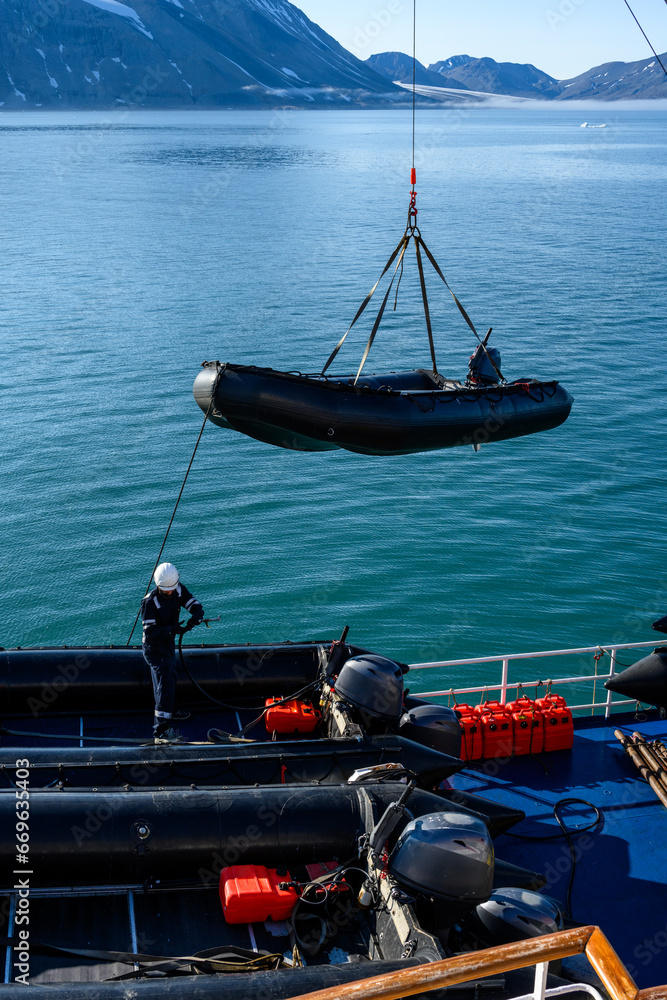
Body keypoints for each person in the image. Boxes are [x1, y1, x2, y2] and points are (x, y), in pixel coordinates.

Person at [140, 562, 204, 744]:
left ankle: (172, 711)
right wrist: (172, 629)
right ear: (158, 586)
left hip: (167, 644)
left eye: (171, 590)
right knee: (164, 685)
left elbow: (191, 602)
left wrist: (197, 615)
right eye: (165, 590)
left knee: (172, 676)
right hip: (154, 649)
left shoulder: (177, 590)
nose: (169, 593)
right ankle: (160, 731)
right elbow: (150, 632)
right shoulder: (149, 602)